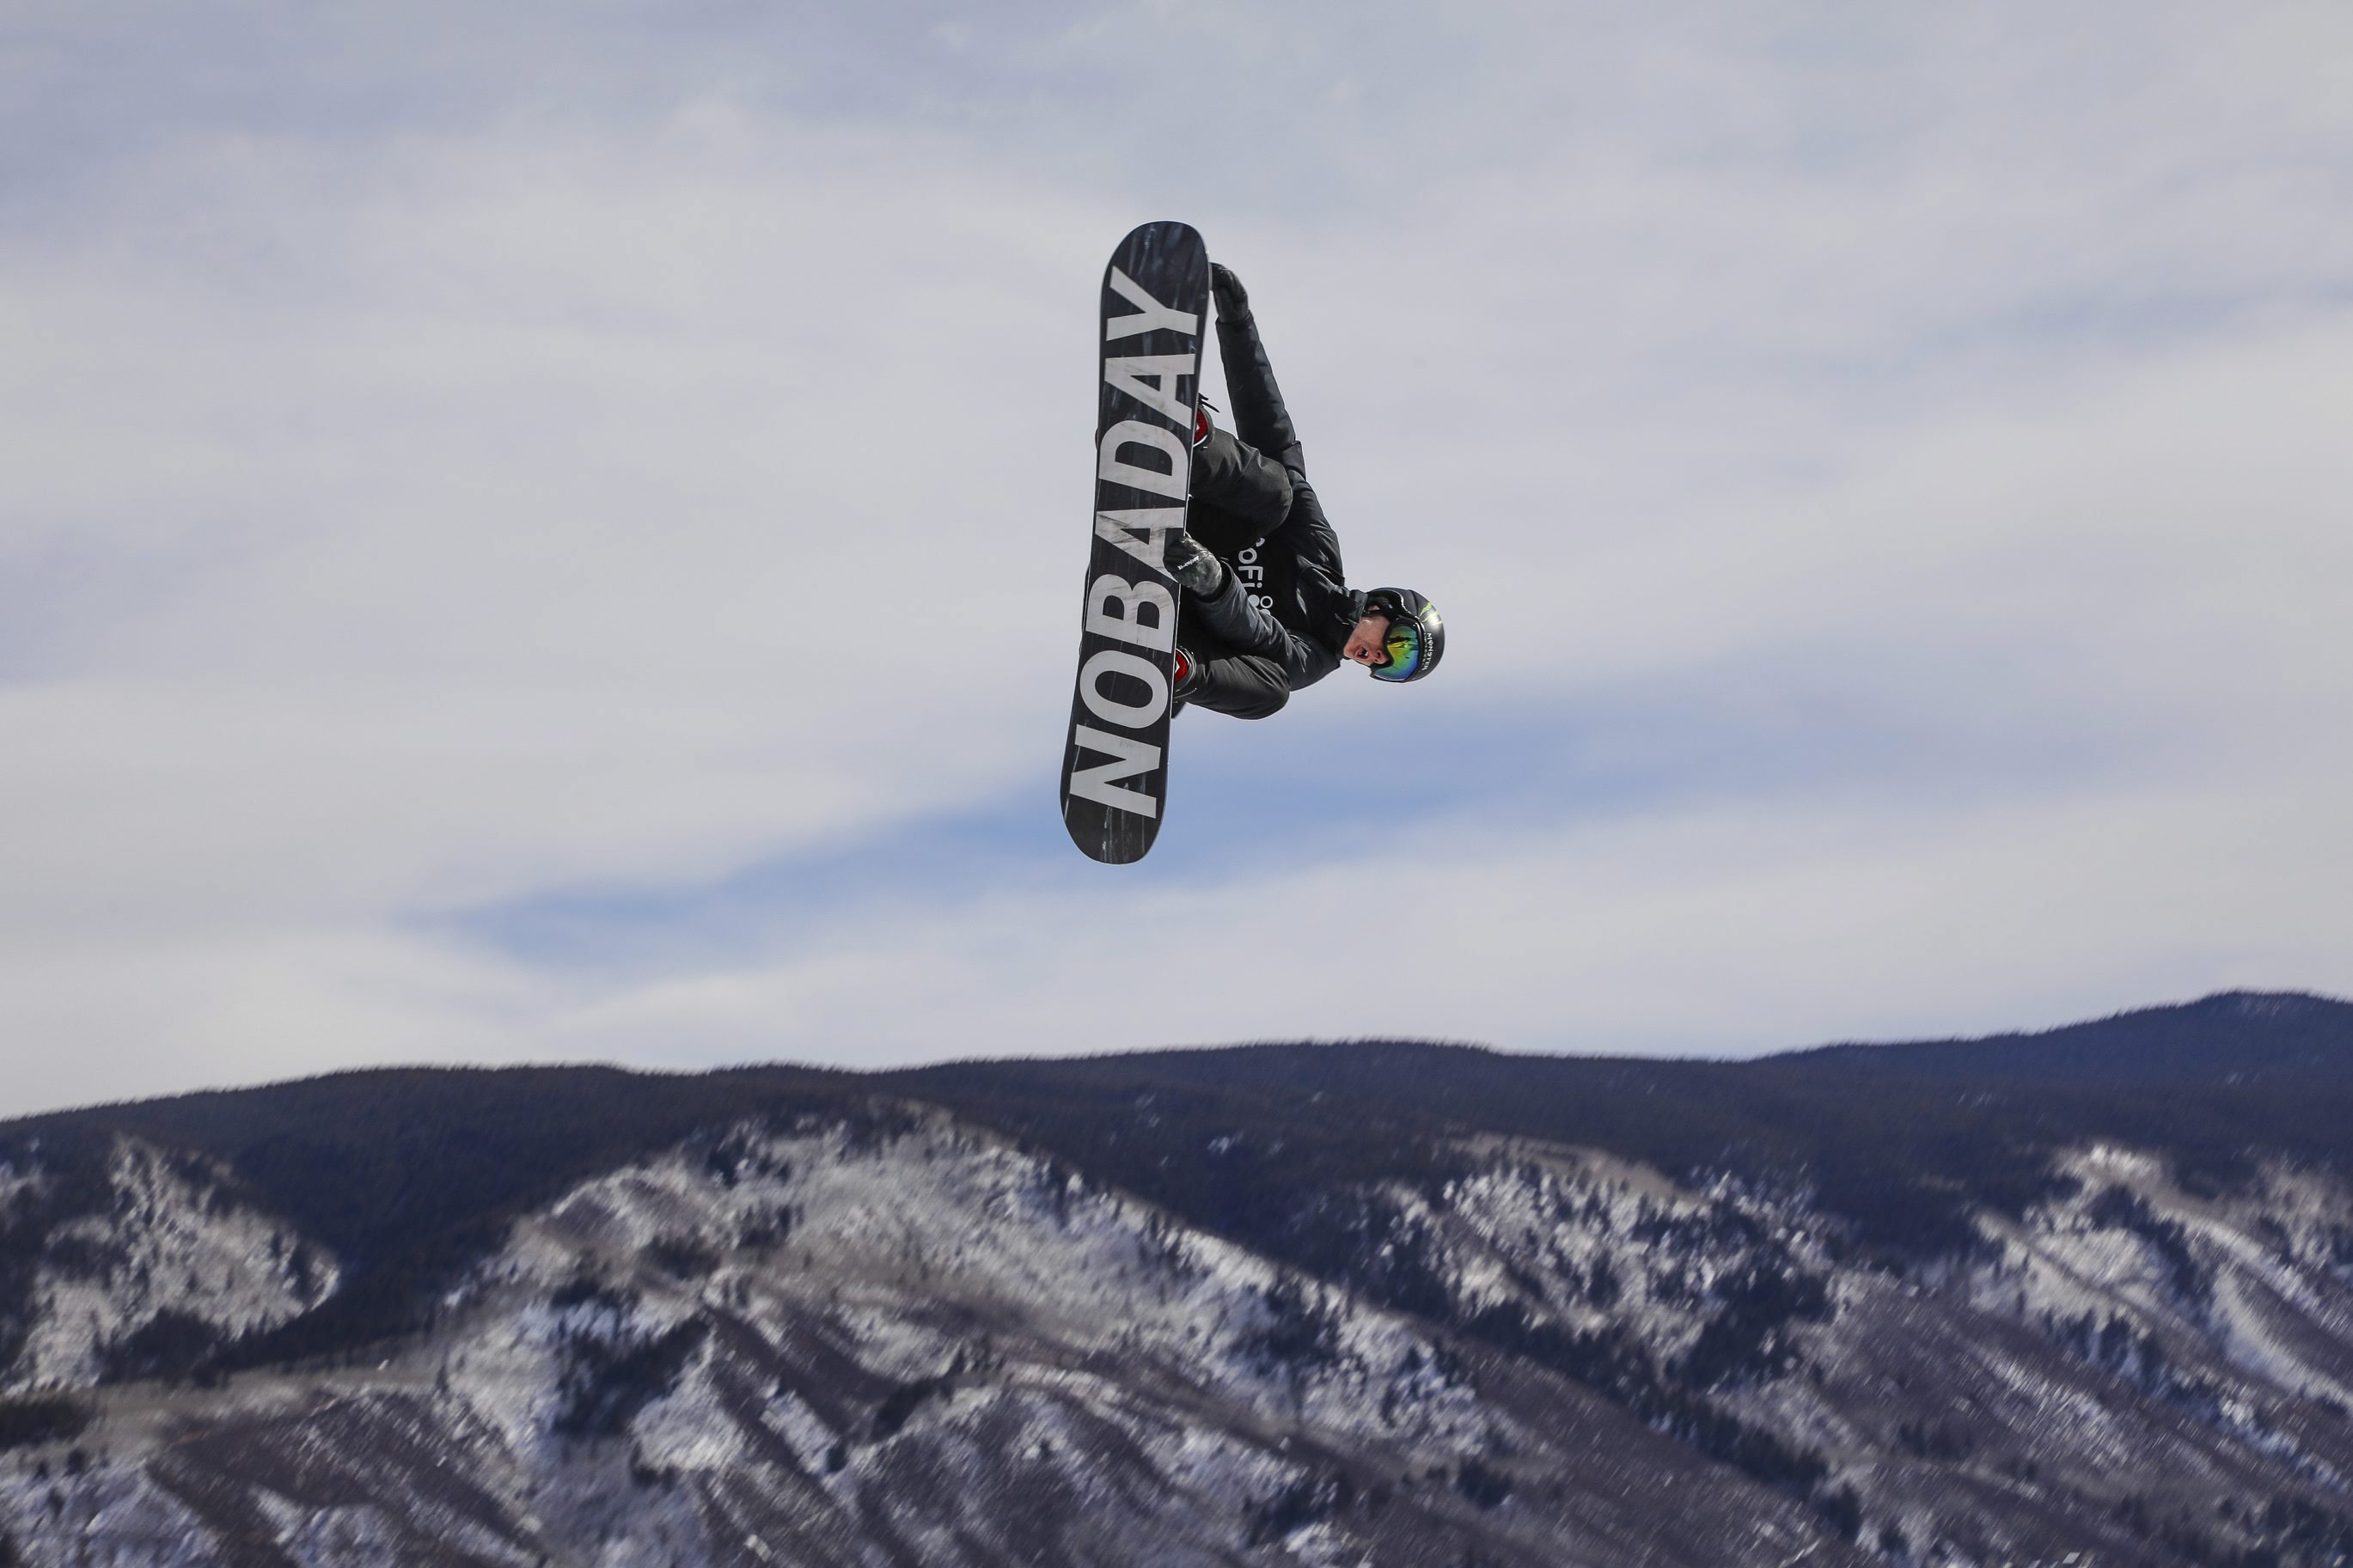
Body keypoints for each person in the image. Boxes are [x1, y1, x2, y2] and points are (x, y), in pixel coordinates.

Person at [1163, 264, 1445, 720]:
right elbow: (1273, 440)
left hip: (1176, 622)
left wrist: (1213, 582)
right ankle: (1183, 442)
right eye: (1400, 645)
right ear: (1383, 607)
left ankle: (1167, 671)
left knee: (1272, 692)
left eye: (1392, 669)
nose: (1379, 659)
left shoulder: (1313, 660)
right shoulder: (1317, 554)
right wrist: (1237, 323)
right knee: (1278, 491)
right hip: (1182, 531)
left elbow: (1257, 634)